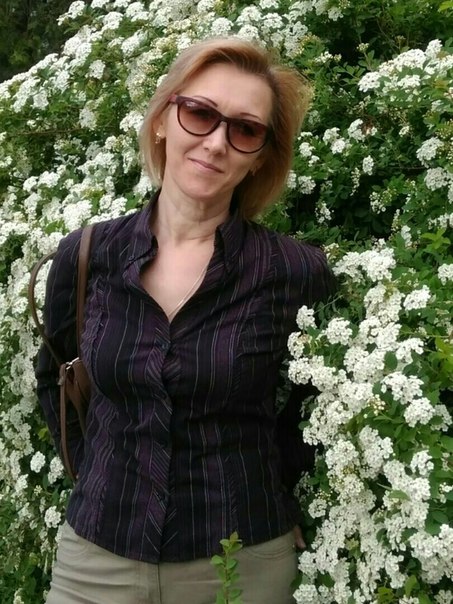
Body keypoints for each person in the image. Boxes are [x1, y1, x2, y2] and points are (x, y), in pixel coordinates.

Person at [36, 36, 336, 604]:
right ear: (162, 121)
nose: (217, 142)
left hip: (240, 562)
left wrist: (281, 492)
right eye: (199, 113)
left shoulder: (294, 271)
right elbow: (53, 374)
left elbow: (314, 404)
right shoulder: (87, 255)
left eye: (244, 130)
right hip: (94, 560)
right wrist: (96, 473)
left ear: (259, 157)